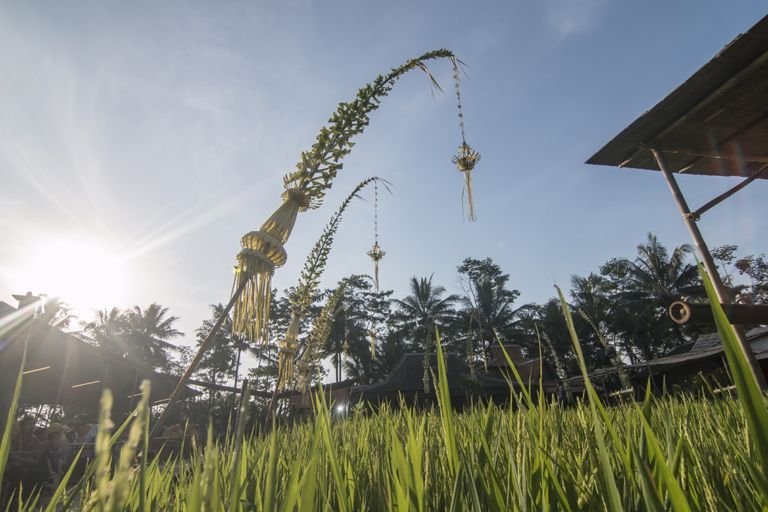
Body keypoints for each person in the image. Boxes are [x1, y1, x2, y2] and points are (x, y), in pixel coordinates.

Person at [36, 423, 72, 490]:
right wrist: (51, 471)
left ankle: (54, 486)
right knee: (51, 474)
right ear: (50, 440)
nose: (56, 441)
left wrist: (59, 470)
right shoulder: (47, 450)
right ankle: (51, 486)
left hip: (56, 467)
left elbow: (60, 460)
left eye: (58, 439)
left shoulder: (60, 450)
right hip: (46, 467)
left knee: (60, 473)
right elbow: (47, 461)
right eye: (54, 439)